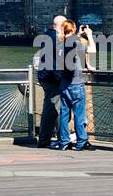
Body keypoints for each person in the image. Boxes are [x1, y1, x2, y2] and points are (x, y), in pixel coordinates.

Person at [53, 20, 95, 150]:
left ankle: (64, 142)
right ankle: (81, 141)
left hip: (64, 85)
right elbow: (92, 49)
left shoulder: (60, 43)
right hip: (76, 84)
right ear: (74, 29)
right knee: (79, 115)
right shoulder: (76, 43)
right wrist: (89, 35)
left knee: (64, 115)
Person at [33, 15, 65, 147]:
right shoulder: (56, 39)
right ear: (62, 26)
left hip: (45, 77)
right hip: (52, 79)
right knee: (56, 109)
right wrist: (60, 79)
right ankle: (56, 139)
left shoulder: (47, 36)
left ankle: (49, 138)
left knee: (51, 108)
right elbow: (56, 62)